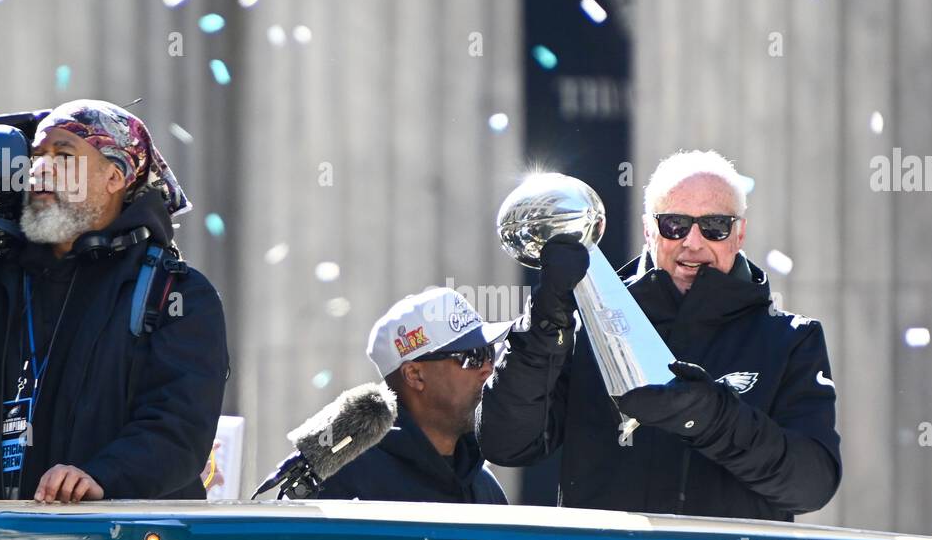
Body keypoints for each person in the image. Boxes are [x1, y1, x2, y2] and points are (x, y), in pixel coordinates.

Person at [0, 99, 229, 502]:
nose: (40, 169)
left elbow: (179, 432)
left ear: (115, 176)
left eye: (64, 155)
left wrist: (101, 476)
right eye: (36, 157)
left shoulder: (174, 293)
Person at [477, 149, 840, 519]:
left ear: (740, 233)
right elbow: (507, 444)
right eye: (674, 225)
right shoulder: (590, 327)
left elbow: (810, 487)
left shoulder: (790, 338)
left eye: (715, 226)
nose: (693, 243)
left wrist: (709, 416)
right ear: (649, 229)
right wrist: (544, 323)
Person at [320, 287, 511, 504]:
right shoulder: (347, 480)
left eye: (488, 352)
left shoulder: (484, 484)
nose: (488, 368)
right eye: (473, 356)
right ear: (414, 375)